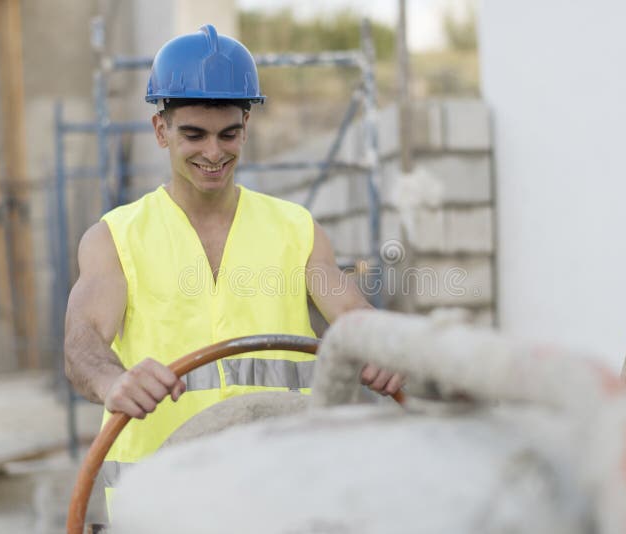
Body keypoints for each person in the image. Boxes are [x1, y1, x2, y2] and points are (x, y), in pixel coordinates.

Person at [63, 24, 402, 497]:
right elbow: (83, 339)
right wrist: (111, 381)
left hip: (278, 491)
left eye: (228, 134)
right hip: (160, 502)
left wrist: (384, 347)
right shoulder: (114, 238)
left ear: (247, 128)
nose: (213, 152)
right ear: (161, 129)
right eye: (194, 134)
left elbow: (352, 316)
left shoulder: (296, 229)